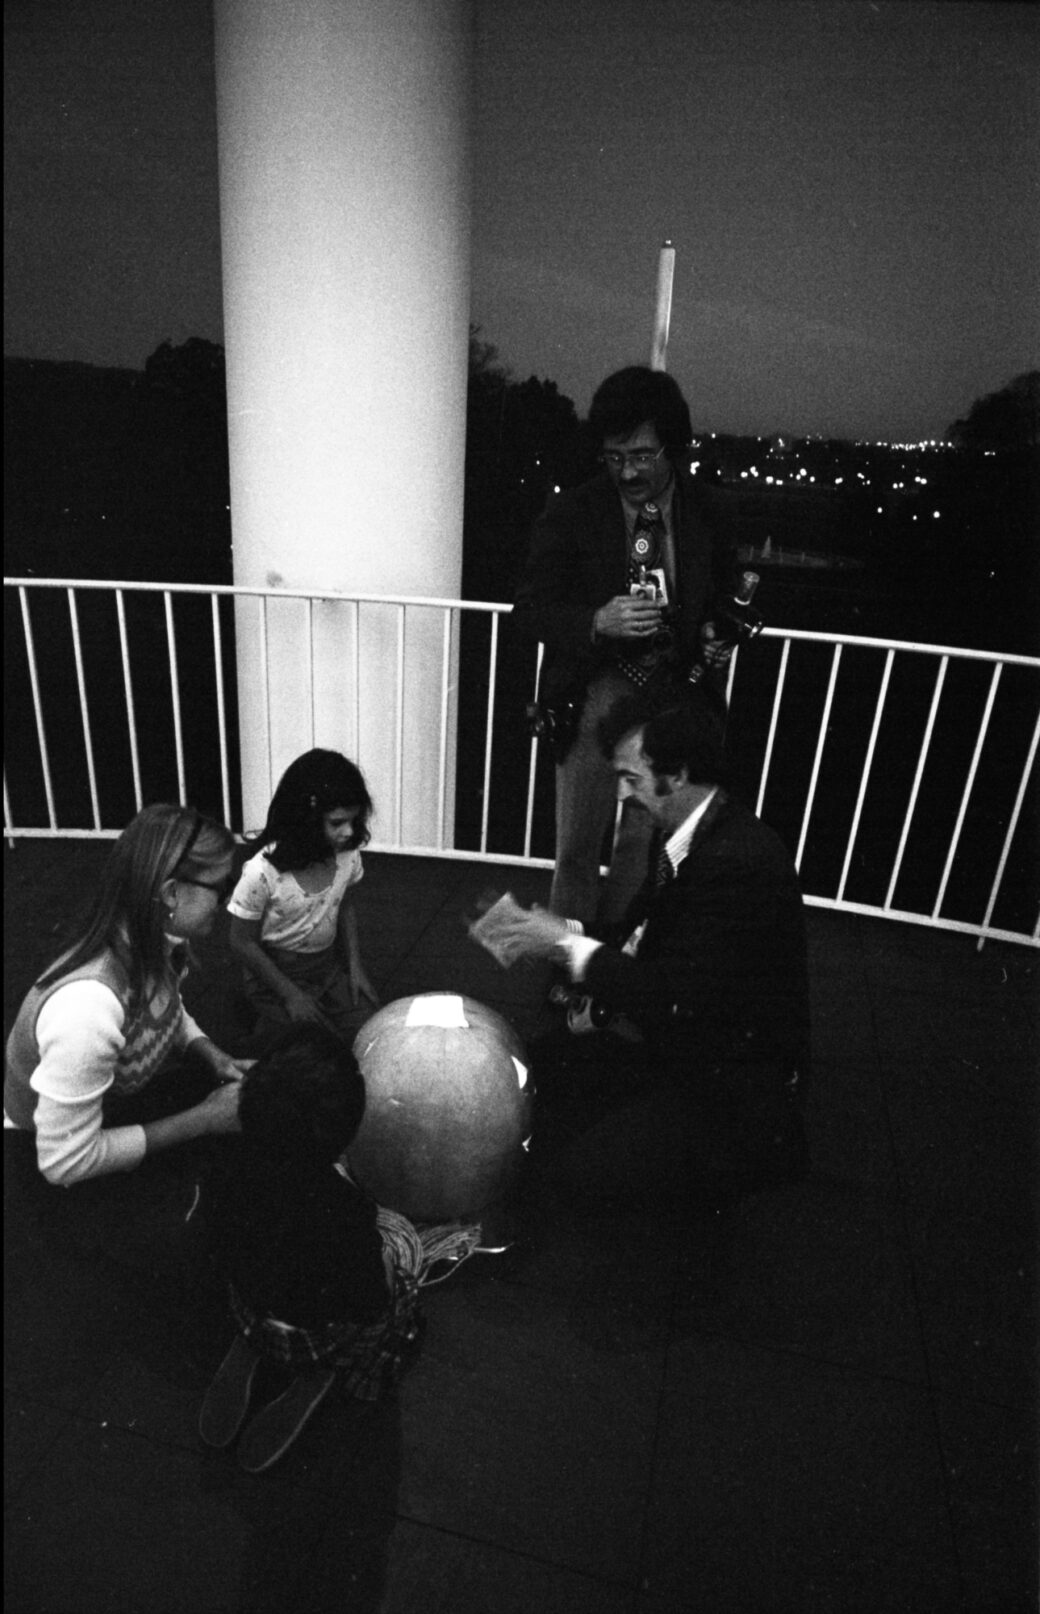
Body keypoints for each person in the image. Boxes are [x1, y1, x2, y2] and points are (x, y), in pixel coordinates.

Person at [470, 692, 811, 1213]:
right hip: (683, 1042)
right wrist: (557, 927)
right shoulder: (689, 831)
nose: (622, 794)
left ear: (676, 776)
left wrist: (562, 946)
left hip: (728, 1086)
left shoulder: (736, 861)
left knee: (581, 1175)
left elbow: (670, 993)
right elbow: (636, 936)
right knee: (538, 1065)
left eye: (631, 777)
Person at [513, 364, 740, 933]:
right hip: (593, 690)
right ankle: (570, 971)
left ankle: (613, 967)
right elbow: (530, 610)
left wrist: (717, 632)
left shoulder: (708, 510)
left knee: (642, 840)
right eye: (614, 457)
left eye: (642, 455)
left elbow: (726, 595)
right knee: (577, 845)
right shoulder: (574, 513)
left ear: (674, 445)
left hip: (672, 692)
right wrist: (597, 620)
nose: (629, 471)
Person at [198, 1025, 433, 1472]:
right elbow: (368, 1302)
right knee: (398, 1261)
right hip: (316, 1332)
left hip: (251, 1301)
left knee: (270, 1283)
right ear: (344, 1136)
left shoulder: (222, 1167)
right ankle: (322, 1369)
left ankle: (254, 1338)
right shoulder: (348, 1212)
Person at [4, 804, 245, 1188]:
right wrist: (204, 1119)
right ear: (170, 894)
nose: (228, 901)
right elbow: (63, 1162)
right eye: (222, 887)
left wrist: (211, 1054)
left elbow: (167, 1008)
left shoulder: (153, 941)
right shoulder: (87, 1010)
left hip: (108, 1108)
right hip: (32, 1155)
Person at [227, 749, 380, 1049]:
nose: (349, 832)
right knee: (309, 1048)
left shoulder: (348, 855)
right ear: (305, 820)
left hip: (326, 969)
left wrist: (354, 966)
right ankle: (257, 1017)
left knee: (370, 1030)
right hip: (275, 976)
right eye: (337, 822)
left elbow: (346, 906)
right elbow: (240, 941)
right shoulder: (262, 872)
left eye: (354, 820)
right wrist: (290, 994)